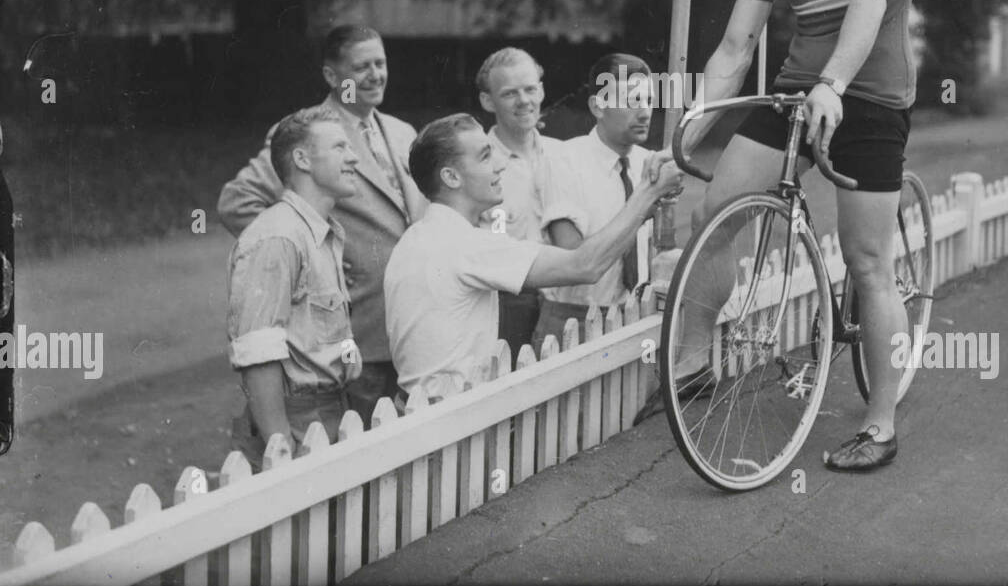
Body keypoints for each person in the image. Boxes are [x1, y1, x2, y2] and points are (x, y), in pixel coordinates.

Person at [644, 0, 917, 471]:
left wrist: (835, 84)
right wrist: (690, 126)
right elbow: (737, 46)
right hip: (796, 92)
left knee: (868, 263)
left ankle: (879, 425)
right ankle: (693, 364)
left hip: (870, 96)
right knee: (717, 213)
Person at [383, 113, 683, 403]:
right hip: (452, 422)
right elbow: (584, 266)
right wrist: (647, 192)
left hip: (418, 409)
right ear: (450, 177)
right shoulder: (465, 244)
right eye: (485, 157)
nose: (500, 165)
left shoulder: (415, 238)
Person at [218, 26, 427, 426]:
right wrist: (319, 254)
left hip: (411, 322)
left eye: (380, 64)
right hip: (356, 331)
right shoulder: (307, 132)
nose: (375, 75)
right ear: (332, 76)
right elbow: (236, 202)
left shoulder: (402, 133)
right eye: (361, 67)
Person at [227, 106, 363, 463]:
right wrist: (279, 444)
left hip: (332, 409)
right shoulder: (278, 237)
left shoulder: (323, 231)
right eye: (339, 148)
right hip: (299, 418)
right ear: (302, 159)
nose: (354, 159)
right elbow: (258, 353)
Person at [531, 53, 656, 354]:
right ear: (597, 106)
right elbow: (575, 259)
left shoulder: (647, 163)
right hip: (573, 322)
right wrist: (644, 201)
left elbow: (656, 249)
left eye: (649, 100)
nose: (645, 112)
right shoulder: (564, 161)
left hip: (635, 316)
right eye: (631, 100)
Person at [474, 47, 564, 363]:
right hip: (507, 310)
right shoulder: (477, 166)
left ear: (541, 89)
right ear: (488, 101)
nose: (524, 100)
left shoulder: (564, 156)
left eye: (530, 89)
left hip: (564, 305)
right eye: (510, 93)